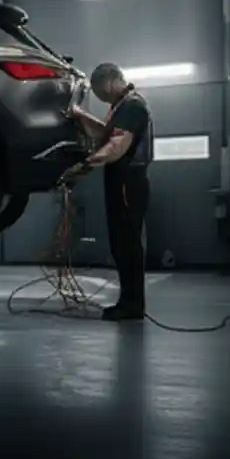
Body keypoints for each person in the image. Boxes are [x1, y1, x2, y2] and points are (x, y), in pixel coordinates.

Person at [60, 63, 154, 321]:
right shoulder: (121, 107)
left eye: (100, 92)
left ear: (110, 81)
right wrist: (79, 115)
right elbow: (105, 133)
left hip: (128, 182)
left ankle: (133, 306)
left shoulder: (133, 105)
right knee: (120, 244)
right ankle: (128, 302)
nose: (100, 98)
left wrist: (85, 165)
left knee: (127, 245)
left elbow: (116, 146)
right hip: (120, 181)